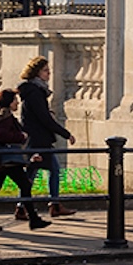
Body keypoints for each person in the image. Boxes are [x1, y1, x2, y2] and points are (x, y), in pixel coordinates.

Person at [0, 88, 51, 231]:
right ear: (9, 102)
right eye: (15, 101)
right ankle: (33, 219)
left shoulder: (1, 116)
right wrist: (21, 137)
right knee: (24, 186)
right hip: (8, 158)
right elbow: (1, 135)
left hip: (2, 157)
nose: (17, 104)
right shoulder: (6, 117)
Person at [17, 56, 78, 218]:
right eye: (45, 70)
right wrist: (66, 134)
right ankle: (53, 204)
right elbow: (45, 119)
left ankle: (22, 206)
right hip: (39, 140)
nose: (49, 73)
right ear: (36, 72)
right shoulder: (35, 92)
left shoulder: (33, 91)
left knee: (31, 173)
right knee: (52, 170)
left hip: (36, 139)